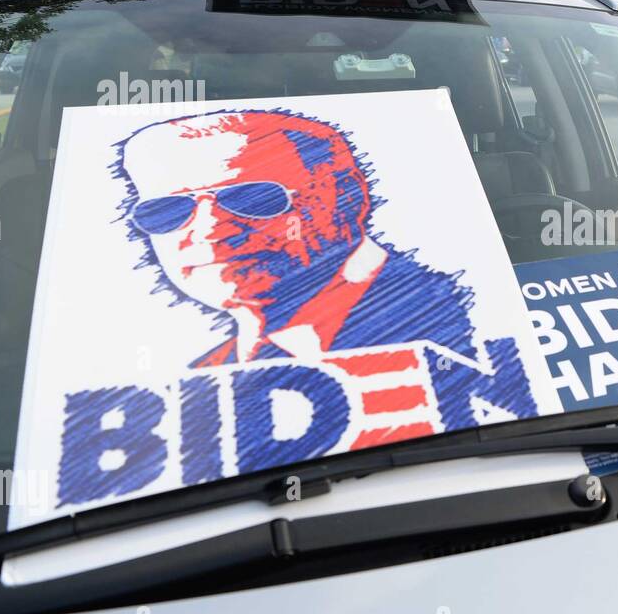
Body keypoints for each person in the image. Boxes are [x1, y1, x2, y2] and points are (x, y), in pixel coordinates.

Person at [118, 107, 536, 436]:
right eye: (167, 211)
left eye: (254, 198)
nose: (208, 229)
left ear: (346, 197)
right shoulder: (193, 387)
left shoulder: (472, 324)